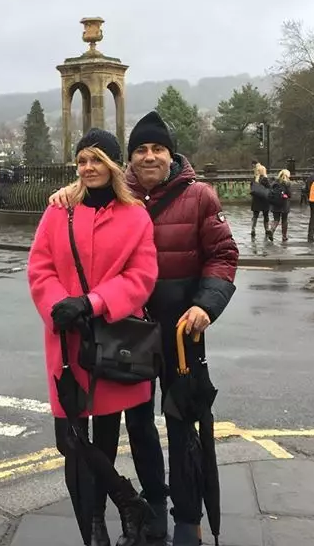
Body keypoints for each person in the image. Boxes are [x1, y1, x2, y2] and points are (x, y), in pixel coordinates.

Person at [49, 112, 238, 546]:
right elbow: (86, 201)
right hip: (125, 330)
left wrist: (206, 306)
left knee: (182, 422)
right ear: (129, 159)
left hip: (179, 330)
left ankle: (187, 518)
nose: (148, 156)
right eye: (140, 150)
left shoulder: (199, 197)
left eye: (157, 149)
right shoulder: (118, 195)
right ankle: (151, 511)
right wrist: (68, 191)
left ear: (171, 154)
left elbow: (223, 254)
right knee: (136, 424)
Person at [29, 128, 159, 546]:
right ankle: (115, 510)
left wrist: (93, 302)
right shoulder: (58, 211)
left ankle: (101, 527)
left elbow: (141, 277)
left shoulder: (136, 215)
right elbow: (40, 267)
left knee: (101, 439)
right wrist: (57, 304)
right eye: (82, 159)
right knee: (70, 440)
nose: (88, 167)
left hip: (110, 344)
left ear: (114, 165)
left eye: (97, 159)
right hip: (66, 344)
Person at [269, 169, 292, 242]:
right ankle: (284, 236)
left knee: (276, 219)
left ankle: (271, 230)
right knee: (284, 220)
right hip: (284, 204)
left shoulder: (274, 183)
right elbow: (289, 194)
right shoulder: (287, 183)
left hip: (275, 204)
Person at [250, 163, 271, 240]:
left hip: (256, 200)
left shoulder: (254, 179)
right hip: (265, 200)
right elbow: (269, 188)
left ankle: (253, 229)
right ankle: (267, 229)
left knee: (255, 215)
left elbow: (251, 189)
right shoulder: (265, 179)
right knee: (266, 215)